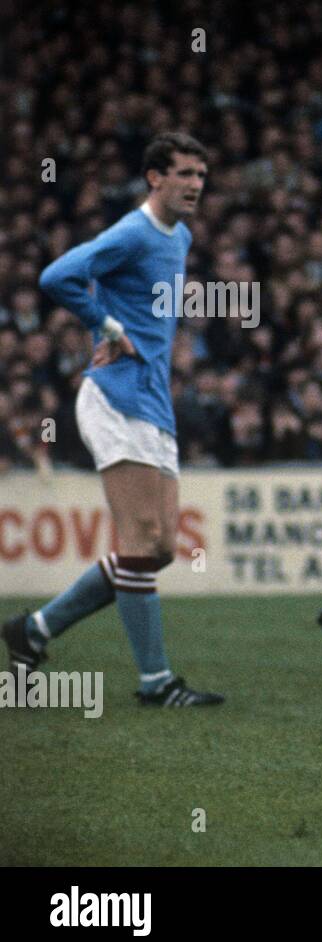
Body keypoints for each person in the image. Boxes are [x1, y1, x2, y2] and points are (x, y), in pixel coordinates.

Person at [3, 132, 223, 707]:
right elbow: (57, 277)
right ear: (155, 177)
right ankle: (156, 681)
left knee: (162, 548)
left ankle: (33, 631)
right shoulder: (132, 231)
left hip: (153, 400)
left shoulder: (182, 237)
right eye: (184, 174)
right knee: (139, 539)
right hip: (115, 396)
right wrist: (105, 326)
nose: (195, 185)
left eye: (201, 175)